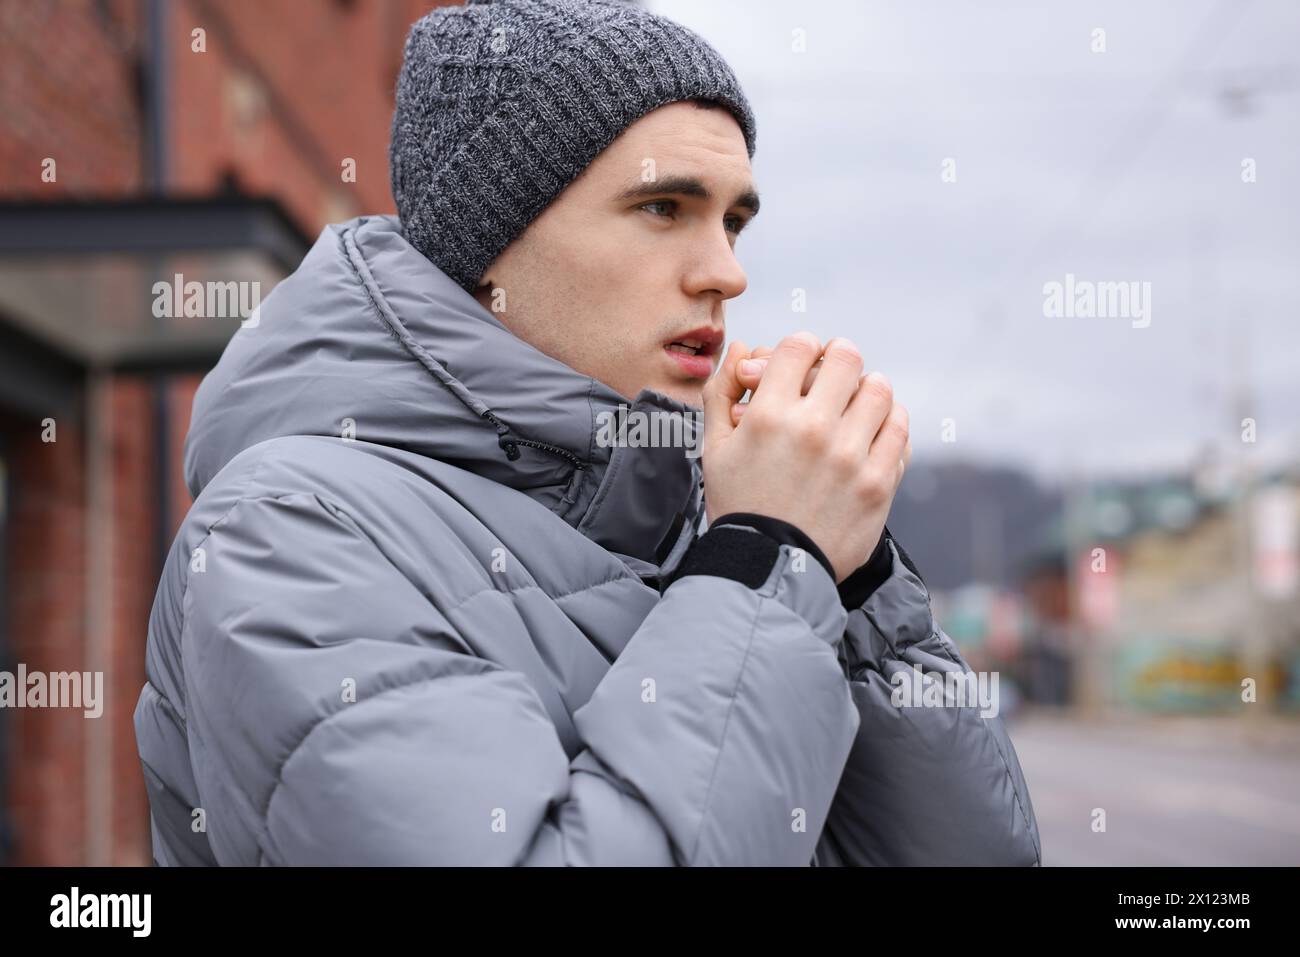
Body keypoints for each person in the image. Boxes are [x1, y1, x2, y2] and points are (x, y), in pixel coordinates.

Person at [134, 0, 1040, 866]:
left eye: (733, 221)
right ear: (491, 243)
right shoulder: (288, 533)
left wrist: (848, 576)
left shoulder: (694, 522)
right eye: (663, 209)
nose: (726, 271)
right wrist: (773, 556)